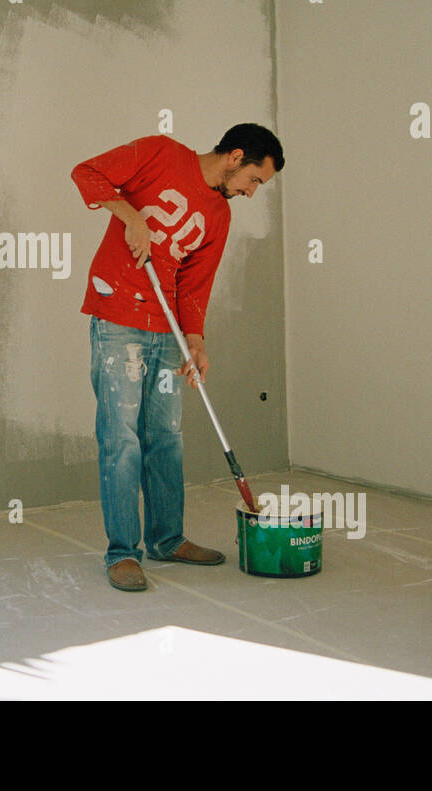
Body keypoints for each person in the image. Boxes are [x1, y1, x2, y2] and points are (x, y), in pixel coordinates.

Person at [70, 124, 284, 591]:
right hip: (117, 315)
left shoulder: (219, 215)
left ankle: (167, 539)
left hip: (166, 332)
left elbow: (194, 283)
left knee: (166, 436)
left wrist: (196, 340)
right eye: (254, 180)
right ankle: (122, 553)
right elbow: (87, 173)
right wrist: (131, 216)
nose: (250, 193)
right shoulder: (160, 153)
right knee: (122, 437)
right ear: (235, 156)